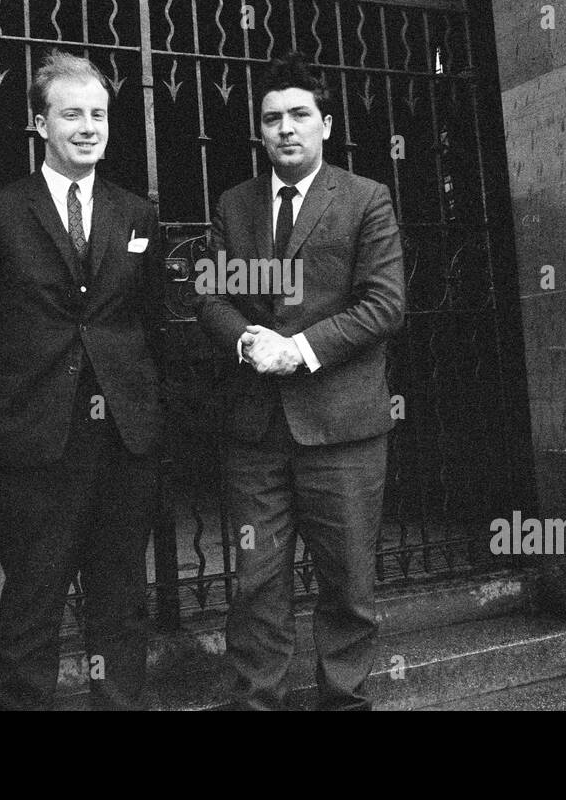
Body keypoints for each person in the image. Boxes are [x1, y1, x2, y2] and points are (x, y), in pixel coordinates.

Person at [0, 49, 165, 710]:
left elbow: (155, 326)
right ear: (39, 123)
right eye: (71, 112)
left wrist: (155, 418)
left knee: (122, 599)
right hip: (38, 439)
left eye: (98, 113)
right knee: (32, 601)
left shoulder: (137, 215)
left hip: (124, 439)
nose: (88, 125)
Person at [197, 52, 406, 710]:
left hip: (342, 426)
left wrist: (301, 349)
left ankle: (344, 699)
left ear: (324, 123)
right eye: (272, 118)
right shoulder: (236, 204)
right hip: (256, 429)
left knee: (347, 581)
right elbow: (212, 293)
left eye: (298, 115)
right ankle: (257, 700)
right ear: (260, 130)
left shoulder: (365, 199)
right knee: (255, 581)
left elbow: (384, 303)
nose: (285, 128)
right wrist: (245, 337)